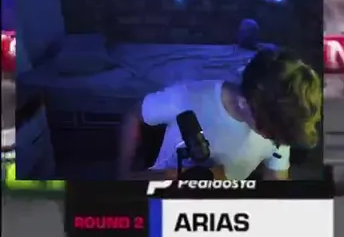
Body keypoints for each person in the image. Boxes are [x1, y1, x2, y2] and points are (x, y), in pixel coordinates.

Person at [117, 47, 322, 180]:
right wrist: (123, 174)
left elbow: (276, 179)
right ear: (244, 103)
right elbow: (133, 115)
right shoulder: (189, 97)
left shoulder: (281, 116)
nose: (274, 140)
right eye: (270, 134)